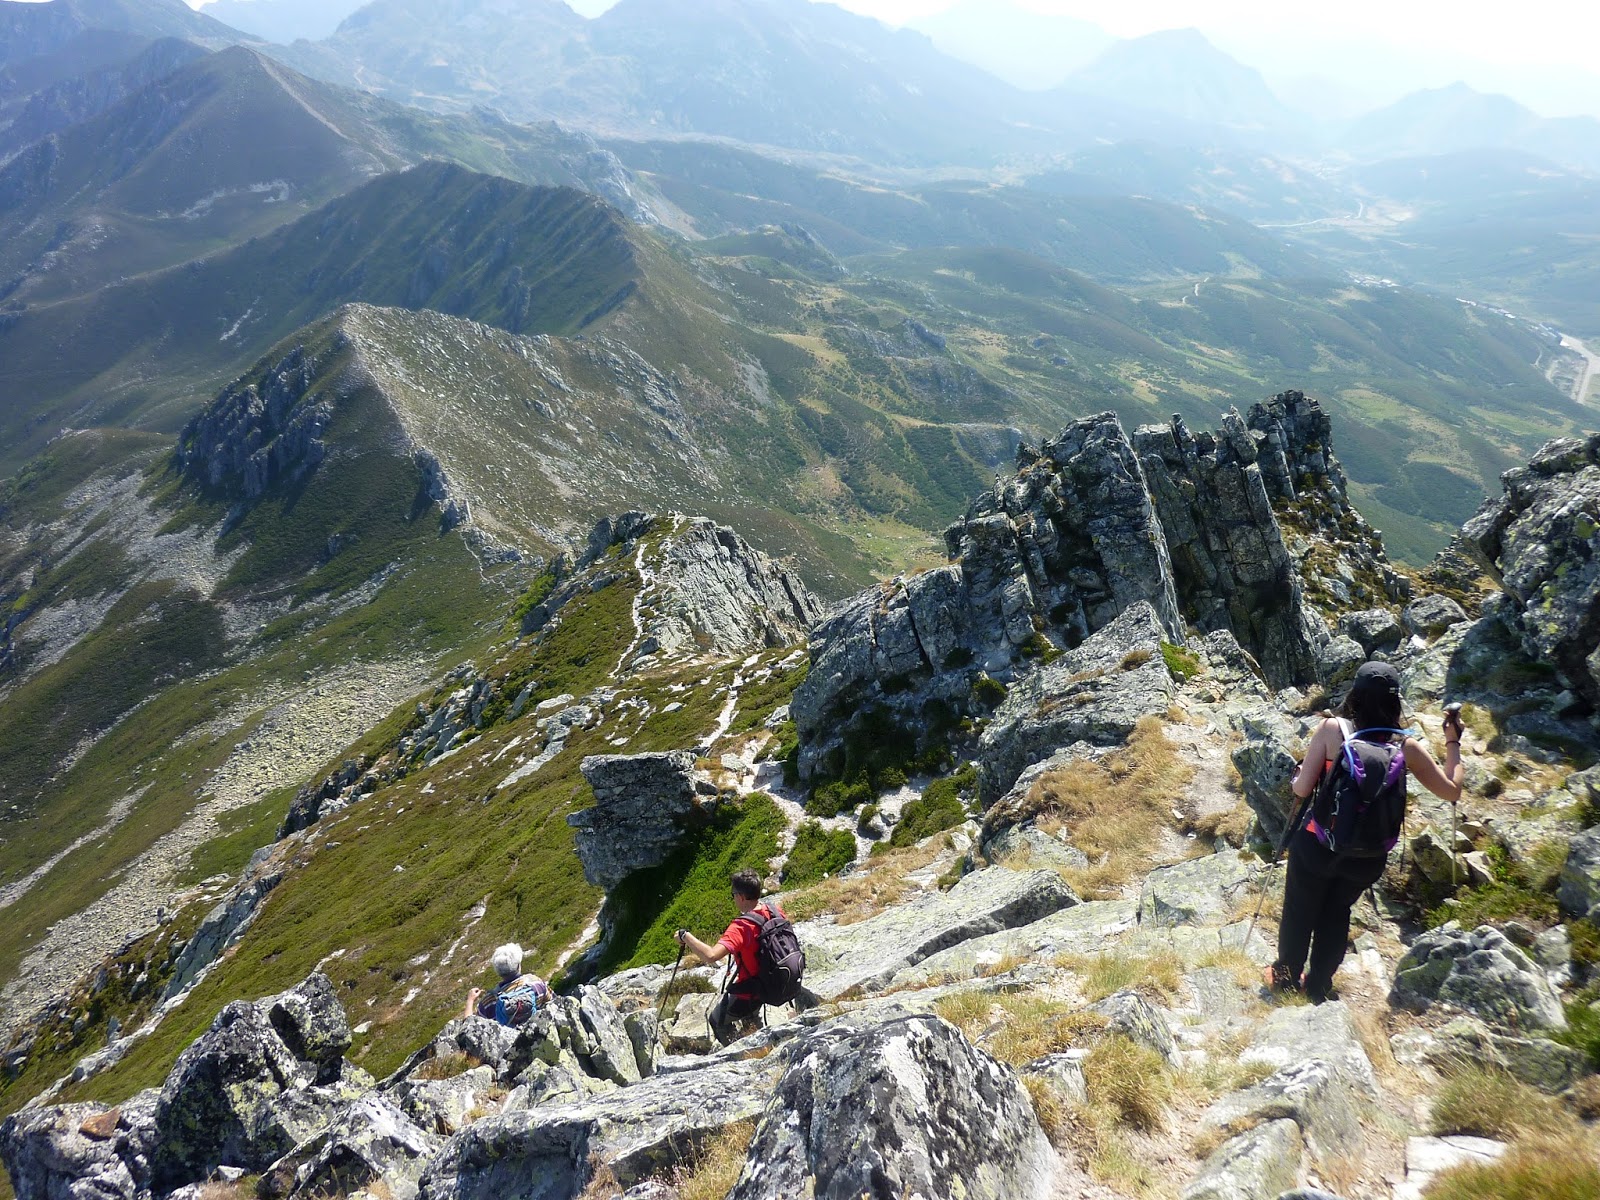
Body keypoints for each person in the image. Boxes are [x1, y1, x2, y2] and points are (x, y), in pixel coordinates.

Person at [1269, 661, 1464, 1004]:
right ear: (1395, 701)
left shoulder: (1333, 730)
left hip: (1318, 843)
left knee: (1300, 909)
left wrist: (1299, 774)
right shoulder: (1407, 747)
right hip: (1368, 856)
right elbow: (1451, 791)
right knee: (1337, 911)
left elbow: (1301, 790)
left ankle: (1285, 981)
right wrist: (1452, 742)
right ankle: (1318, 986)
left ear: (1354, 695)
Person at [676, 869, 783, 1045]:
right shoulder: (774, 911)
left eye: (733, 894)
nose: (733, 898)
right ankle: (760, 1040)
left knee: (716, 1020)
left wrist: (685, 936)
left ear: (741, 896)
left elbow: (710, 956)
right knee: (750, 1015)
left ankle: (741, 1050)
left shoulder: (741, 927)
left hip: (751, 989)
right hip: (773, 980)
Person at [466, 943, 550, 1025]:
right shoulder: (536, 984)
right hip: (536, 1034)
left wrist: (470, 1000)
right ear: (518, 965)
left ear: (498, 972)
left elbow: (469, 1027)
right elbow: (552, 1004)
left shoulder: (487, 1002)